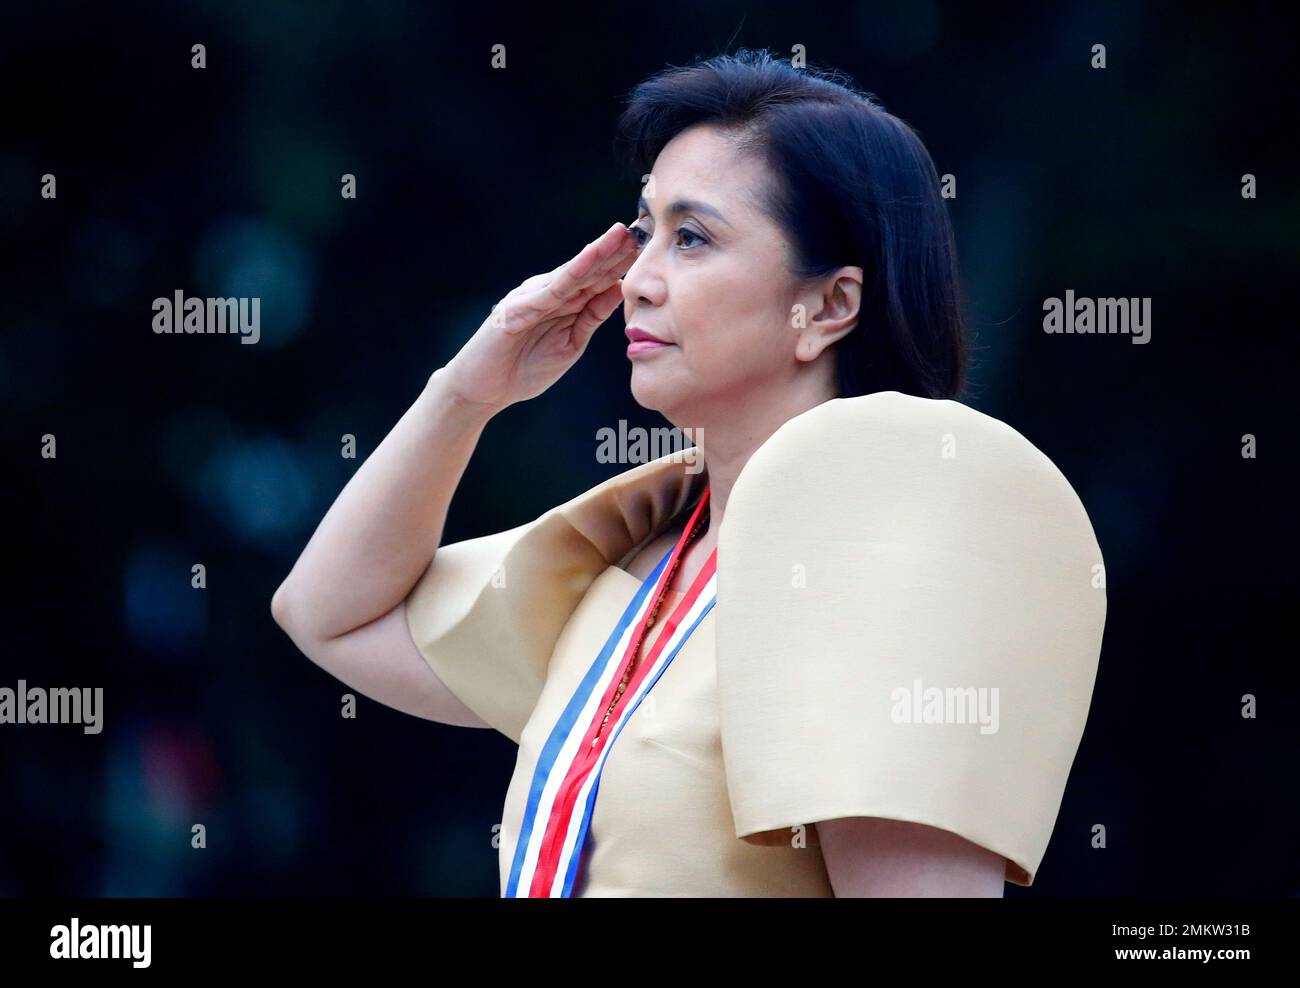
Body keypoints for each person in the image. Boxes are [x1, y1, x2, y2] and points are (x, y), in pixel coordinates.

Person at [271, 49, 1107, 897]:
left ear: (828, 307)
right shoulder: (635, 557)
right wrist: (466, 393)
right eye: (644, 233)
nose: (635, 279)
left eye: (693, 238)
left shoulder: (894, 559)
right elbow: (328, 614)